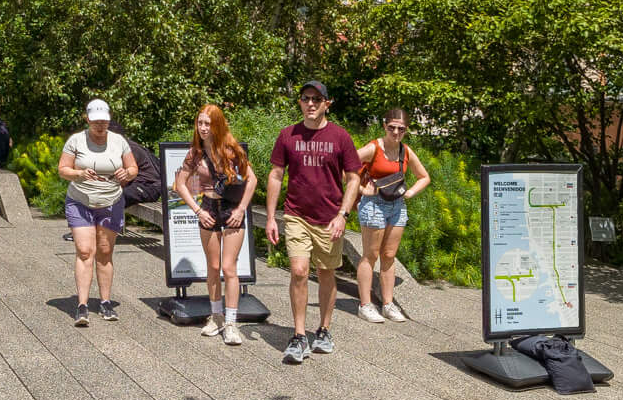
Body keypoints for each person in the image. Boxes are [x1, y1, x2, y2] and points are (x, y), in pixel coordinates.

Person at [265, 80, 362, 365]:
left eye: (316, 100)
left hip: (330, 218)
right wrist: (271, 217)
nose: (310, 104)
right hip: (296, 215)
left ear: (326, 104)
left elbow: (354, 178)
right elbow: (275, 175)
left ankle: (323, 329)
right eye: (306, 98)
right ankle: (298, 335)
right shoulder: (288, 135)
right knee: (298, 270)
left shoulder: (340, 137)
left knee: (326, 272)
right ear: (300, 103)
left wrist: (343, 215)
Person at [173, 104, 255, 344]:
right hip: (208, 208)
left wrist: (241, 209)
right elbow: (180, 184)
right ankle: (216, 315)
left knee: (229, 267)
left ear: (217, 124)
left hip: (231, 210)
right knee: (213, 265)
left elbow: (252, 180)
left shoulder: (231, 150)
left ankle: (231, 322)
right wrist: (198, 210)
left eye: (208, 123)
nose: (203, 128)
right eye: (200, 123)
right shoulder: (194, 154)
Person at [57, 99, 136, 326]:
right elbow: (63, 169)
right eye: (96, 121)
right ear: (87, 119)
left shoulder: (119, 141)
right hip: (80, 200)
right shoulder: (76, 140)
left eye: (104, 121)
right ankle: (82, 305)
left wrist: (126, 174)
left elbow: (133, 168)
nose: (100, 126)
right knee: (84, 251)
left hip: (111, 201)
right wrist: (78, 173)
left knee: (104, 251)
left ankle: (105, 301)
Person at [354, 107, 431, 323]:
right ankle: (365, 304)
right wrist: (361, 190)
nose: (396, 133)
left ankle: (388, 304)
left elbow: (424, 176)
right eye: (392, 128)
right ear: (384, 126)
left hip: (397, 204)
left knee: (389, 255)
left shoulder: (405, 151)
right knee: (371, 254)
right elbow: (344, 166)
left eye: (401, 129)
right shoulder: (373, 148)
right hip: (374, 204)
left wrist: (411, 192)